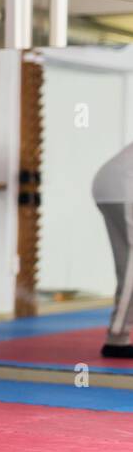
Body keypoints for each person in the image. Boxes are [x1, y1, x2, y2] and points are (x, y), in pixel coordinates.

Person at [92, 141, 133, 358]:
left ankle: (119, 334)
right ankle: (117, 337)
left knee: (127, 263)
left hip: (113, 186)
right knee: (131, 268)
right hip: (124, 188)